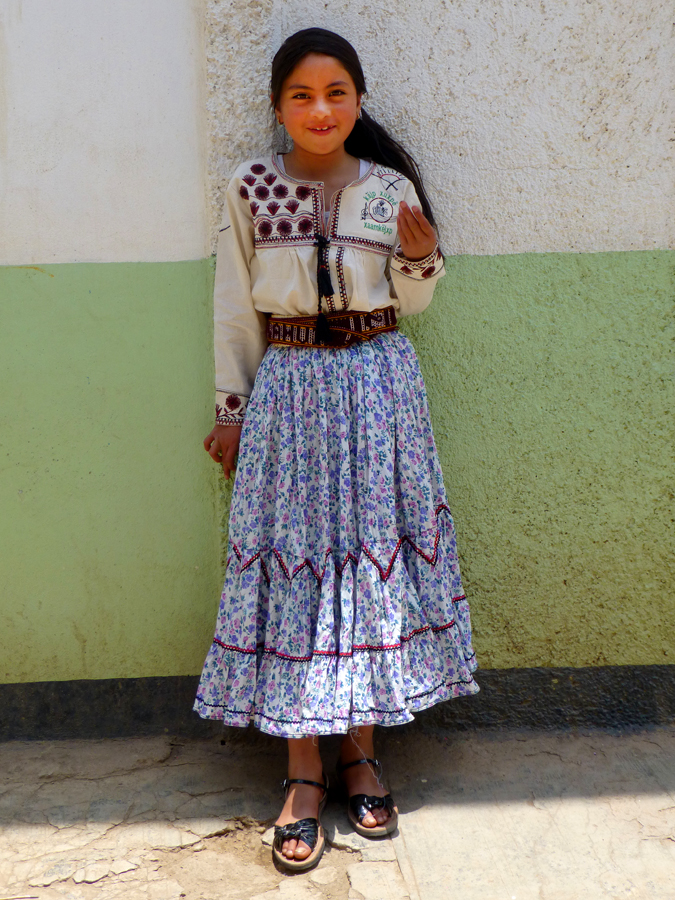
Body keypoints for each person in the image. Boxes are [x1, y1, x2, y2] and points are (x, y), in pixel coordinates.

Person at [194, 27, 479, 872]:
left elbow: (413, 302)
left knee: (365, 565)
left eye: (336, 93)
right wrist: (231, 408)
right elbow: (233, 304)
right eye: (301, 96)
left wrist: (421, 261)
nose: (320, 110)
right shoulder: (250, 186)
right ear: (278, 106)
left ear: (358, 100)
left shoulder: (388, 187)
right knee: (301, 566)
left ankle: (361, 757)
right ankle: (302, 772)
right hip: (288, 396)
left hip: (377, 389)